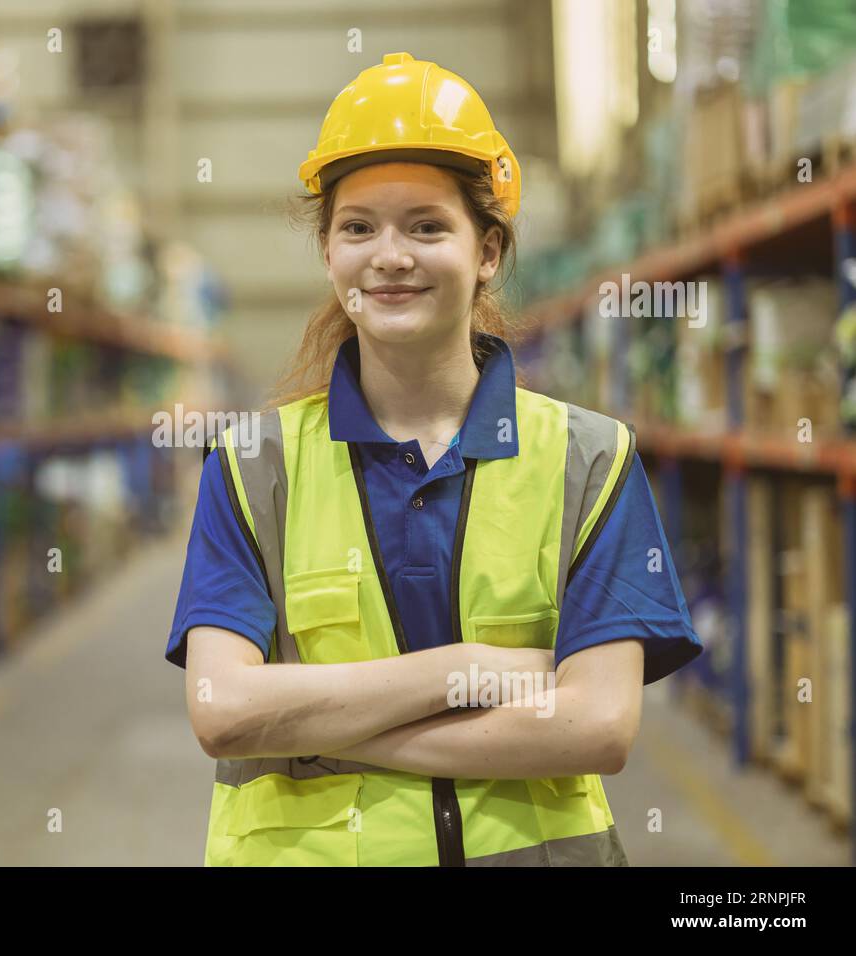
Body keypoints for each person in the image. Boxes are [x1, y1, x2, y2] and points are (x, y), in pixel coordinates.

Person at [165, 53, 703, 866]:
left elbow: (597, 726)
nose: (390, 256)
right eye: (358, 227)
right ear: (328, 255)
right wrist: (471, 670)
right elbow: (221, 710)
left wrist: (325, 731)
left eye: (426, 225)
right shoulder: (251, 465)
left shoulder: (589, 459)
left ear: (487, 250)